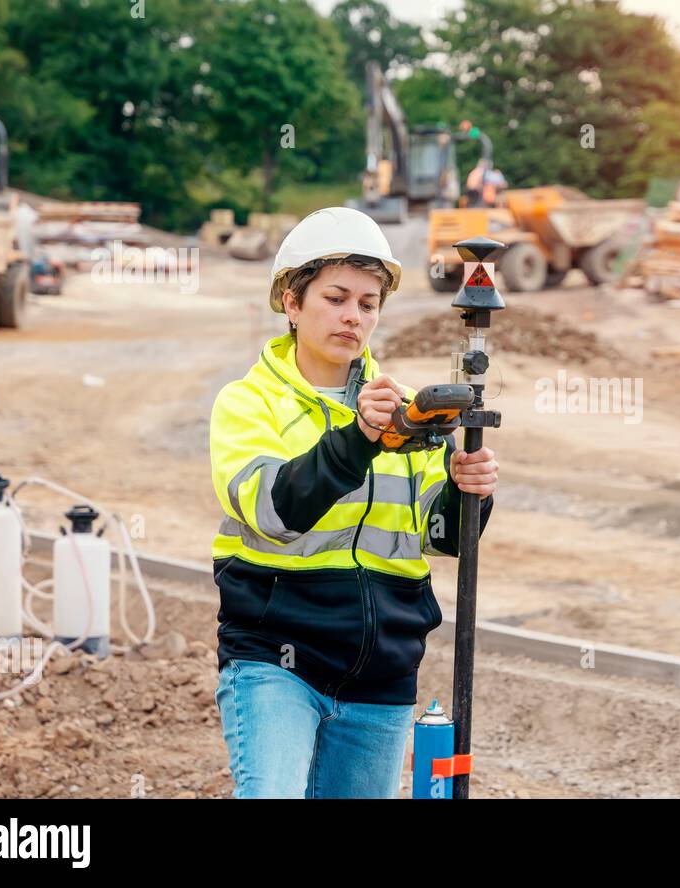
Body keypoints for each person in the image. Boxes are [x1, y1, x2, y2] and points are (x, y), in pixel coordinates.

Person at [209, 207, 498, 798]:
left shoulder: (410, 412)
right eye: (336, 297)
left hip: (381, 676)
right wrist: (358, 438)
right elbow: (274, 510)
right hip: (276, 663)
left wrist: (471, 492)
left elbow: (437, 535)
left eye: (367, 305)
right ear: (292, 301)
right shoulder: (247, 404)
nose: (352, 317)